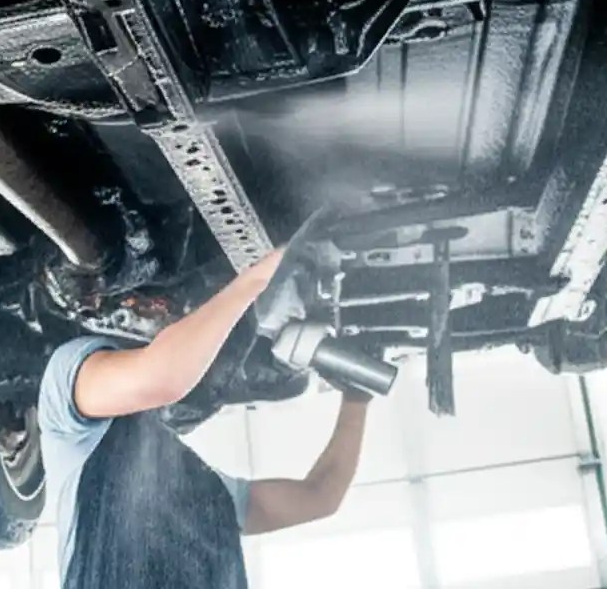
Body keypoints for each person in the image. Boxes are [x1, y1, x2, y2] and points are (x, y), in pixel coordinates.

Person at [38, 248, 371, 589]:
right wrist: (357, 396)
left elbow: (163, 380)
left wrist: (258, 277)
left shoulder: (72, 416)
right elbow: (320, 496)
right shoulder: (205, 504)